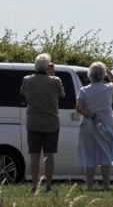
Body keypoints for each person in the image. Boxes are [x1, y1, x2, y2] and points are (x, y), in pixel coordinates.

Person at [19, 53, 65, 193]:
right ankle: (48, 185)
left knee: (34, 155)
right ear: (47, 67)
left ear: (35, 66)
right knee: (49, 155)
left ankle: (34, 185)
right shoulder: (55, 80)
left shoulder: (27, 79)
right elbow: (62, 94)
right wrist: (52, 74)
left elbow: (22, 92)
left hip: (33, 122)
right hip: (51, 122)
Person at [75, 62, 113, 190]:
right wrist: (106, 69)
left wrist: (91, 116)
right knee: (106, 156)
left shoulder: (84, 90)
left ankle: (89, 186)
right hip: (106, 124)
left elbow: (79, 108)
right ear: (103, 75)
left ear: (89, 75)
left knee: (89, 156)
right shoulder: (108, 88)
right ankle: (106, 185)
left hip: (88, 124)